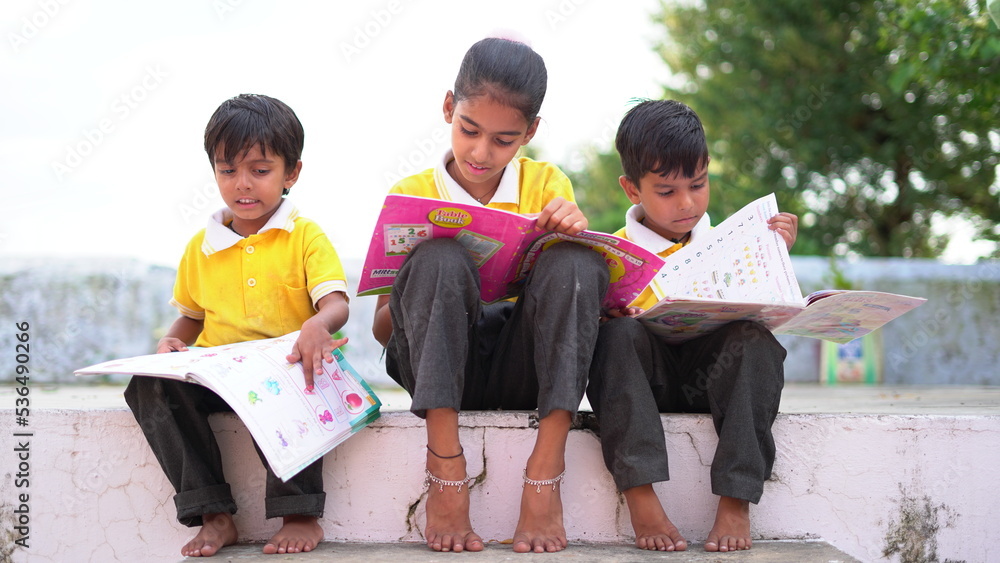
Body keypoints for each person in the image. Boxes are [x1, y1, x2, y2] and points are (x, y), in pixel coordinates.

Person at [371, 37, 608, 554]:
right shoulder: (413, 192)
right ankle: (447, 473)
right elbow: (382, 328)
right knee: (439, 258)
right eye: (469, 130)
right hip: (434, 370)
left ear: (531, 132)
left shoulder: (548, 184)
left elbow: (572, 302)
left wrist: (570, 233)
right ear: (448, 107)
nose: (481, 153)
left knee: (577, 260)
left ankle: (545, 474)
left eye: (503, 140)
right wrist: (429, 290)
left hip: (518, 367)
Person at [124, 94, 350, 557]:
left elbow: (336, 305)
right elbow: (191, 315)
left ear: (292, 173)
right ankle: (213, 513)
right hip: (219, 370)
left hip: (284, 364)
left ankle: (299, 513)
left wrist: (316, 325)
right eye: (228, 171)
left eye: (260, 171)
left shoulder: (305, 235)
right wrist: (171, 342)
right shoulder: (201, 246)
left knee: (300, 373)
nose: (242, 185)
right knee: (149, 384)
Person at [586, 99, 798, 553]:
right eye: (666, 191)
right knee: (616, 336)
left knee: (754, 340)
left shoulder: (732, 244)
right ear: (631, 189)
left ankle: (736, 498)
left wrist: (775, 257)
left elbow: (762, 312)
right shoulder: (611, 255)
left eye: (698, 185)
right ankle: (640, 495)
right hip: (645, 382)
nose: (687, 203)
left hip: (715, 379)